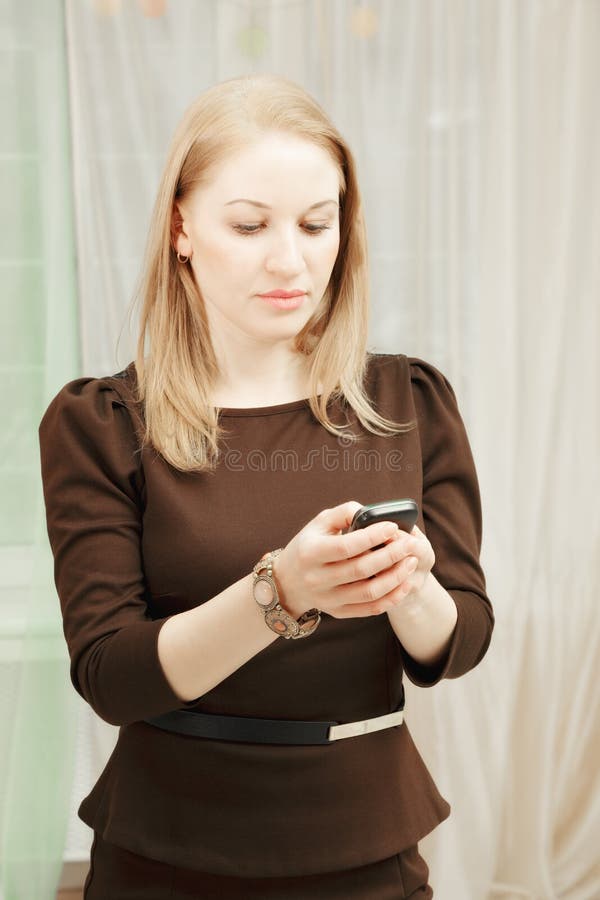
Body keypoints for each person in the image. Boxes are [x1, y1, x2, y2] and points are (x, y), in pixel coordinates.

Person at [39, 74, 493, 899]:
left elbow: (458, 644)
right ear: (181, 228)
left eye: (318, 224)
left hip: (367, 847)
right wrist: (280, 591)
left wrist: (409, 588)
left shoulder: (409, 401)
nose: (291, 259)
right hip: (163, 853)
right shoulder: (101, 423)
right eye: (249, 225)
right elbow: (111, 675)